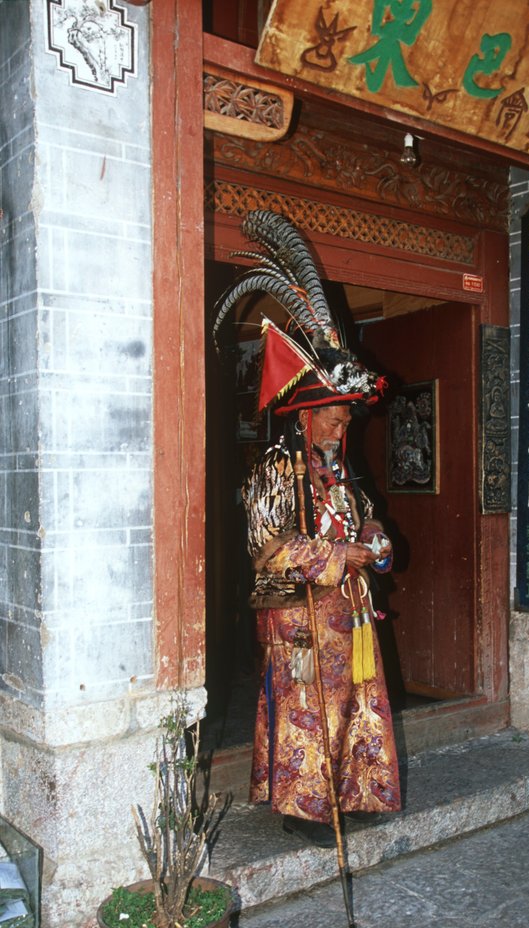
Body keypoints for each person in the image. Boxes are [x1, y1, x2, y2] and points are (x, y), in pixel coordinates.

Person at [214, 210, 402, 848]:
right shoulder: (275, 466)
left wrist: (373, 533)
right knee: (304, 711)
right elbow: (267, 548)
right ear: (302, 417)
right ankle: (303, 807)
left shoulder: (340, 468)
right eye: (329, 417)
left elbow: (364, 512)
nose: (339, 428)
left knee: (353, 702)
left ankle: (351, 793)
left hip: (347, 610)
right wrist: (337, 553)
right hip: (299, 614)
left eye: (345, 418)